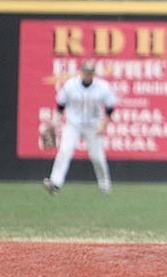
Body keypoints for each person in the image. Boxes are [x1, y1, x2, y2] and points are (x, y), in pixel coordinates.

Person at [43, 60, 117, 195]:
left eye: (90, 72)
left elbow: (110, 107)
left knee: (97, 156)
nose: (88, 75)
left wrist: (103, 125)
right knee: (64, 151)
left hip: (93, 125)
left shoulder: (102, 87)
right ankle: (55, 183)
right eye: (86, 72)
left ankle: (105, 185)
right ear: (81, 72)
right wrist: (55, 121)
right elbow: (61, 105)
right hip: (74, 124)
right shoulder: (70, 85)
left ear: (94, 74)